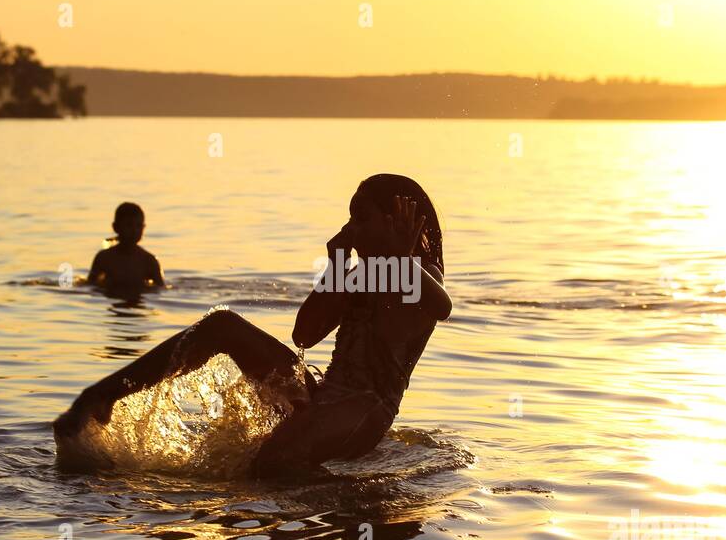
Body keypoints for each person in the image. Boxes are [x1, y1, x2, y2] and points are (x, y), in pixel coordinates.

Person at [55, 174, 451, 477]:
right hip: (326, 393)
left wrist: (400, 259)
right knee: (222, 325)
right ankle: (104, 394)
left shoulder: (422, 271)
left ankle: (339, 496)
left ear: (397, 218)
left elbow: (442, 306)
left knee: (269, 467)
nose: (351, 228)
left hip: (363, 411)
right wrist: (335, 269)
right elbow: (305, 335)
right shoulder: (361, 272)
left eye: (360, 219)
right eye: (349, 218)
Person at [87, 202, 165, 294]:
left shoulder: (149, 261)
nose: (134, 231)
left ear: (144, 227)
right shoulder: (104, 258)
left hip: (139, 305)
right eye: (129, 225)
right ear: (116, 227)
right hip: (112, 301)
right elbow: (90, 285)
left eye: (139, 226)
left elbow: (161, 289)